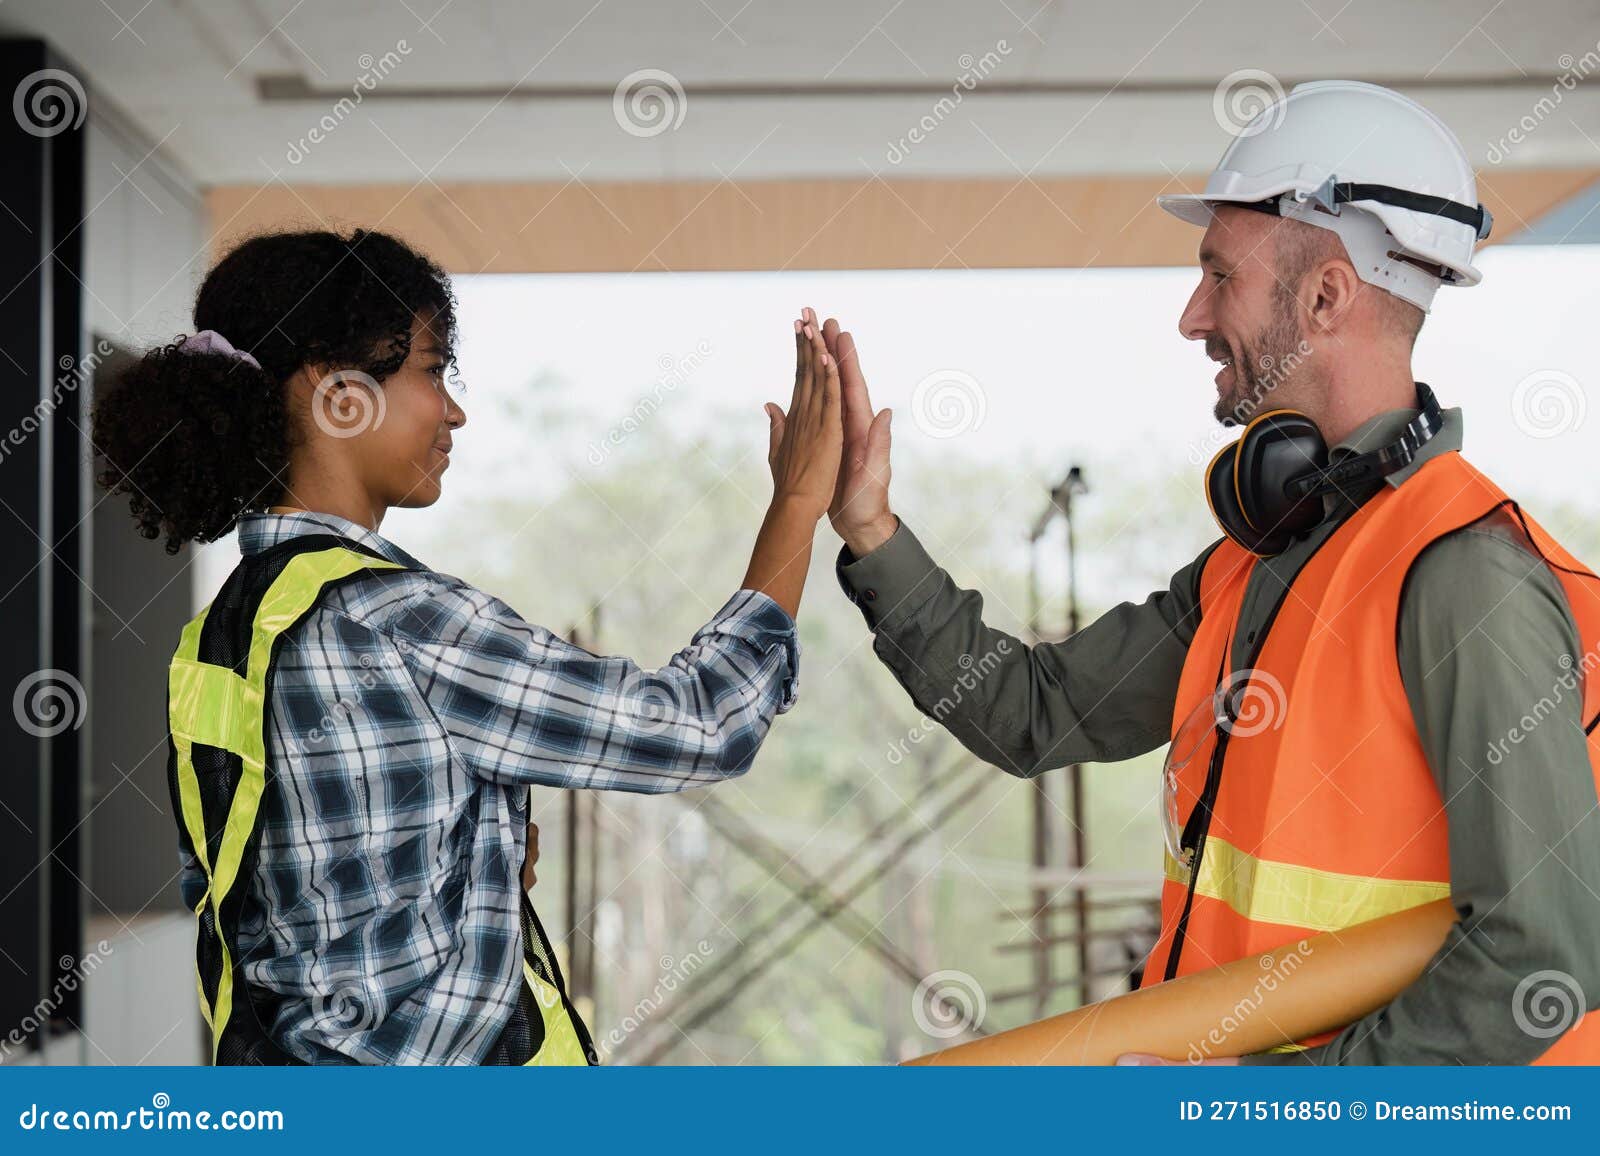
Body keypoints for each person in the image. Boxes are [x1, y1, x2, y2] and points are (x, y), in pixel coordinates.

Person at [823, 81, 1600, 1064]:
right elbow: (1030, 711)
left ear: (1324, 295)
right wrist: (869, 528)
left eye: (1217, 275)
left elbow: (1534, 959)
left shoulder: (1464, 577)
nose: (1192, 317)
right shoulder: (1263, 559)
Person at [92, 229, 843, 1065]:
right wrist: (799, 503)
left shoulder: (223, 633)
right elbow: (699, 727)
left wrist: (463, 875)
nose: (453, 409)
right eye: (431, 368)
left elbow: (254, 905)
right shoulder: (395, 617)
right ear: (335, 389)